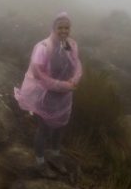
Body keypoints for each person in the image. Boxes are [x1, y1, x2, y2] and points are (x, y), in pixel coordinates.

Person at [14, 12, 83, 176]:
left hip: (64, 94)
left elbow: (76, 64)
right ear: (54, 28)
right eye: (60, 27)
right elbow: (38, 73)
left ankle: (55, 154)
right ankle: (39, 161)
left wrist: (74, 80)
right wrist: (61, 85)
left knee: (60, 126)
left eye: (67, 27)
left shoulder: (70, 44)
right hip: (45, 94)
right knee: (44, 128)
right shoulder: (43, 47)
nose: (64, 31)